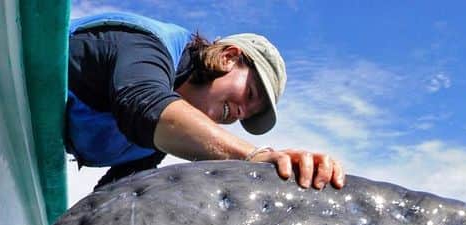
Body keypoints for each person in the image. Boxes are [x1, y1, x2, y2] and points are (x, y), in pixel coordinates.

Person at [66, 11, 345, 191]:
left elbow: (112, 192)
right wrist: (255, 157)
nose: (240, 113)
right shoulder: (143, 45)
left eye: (247, 115)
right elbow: (143, 103)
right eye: (249, 95)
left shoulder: (161, 140)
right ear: (228, 57)